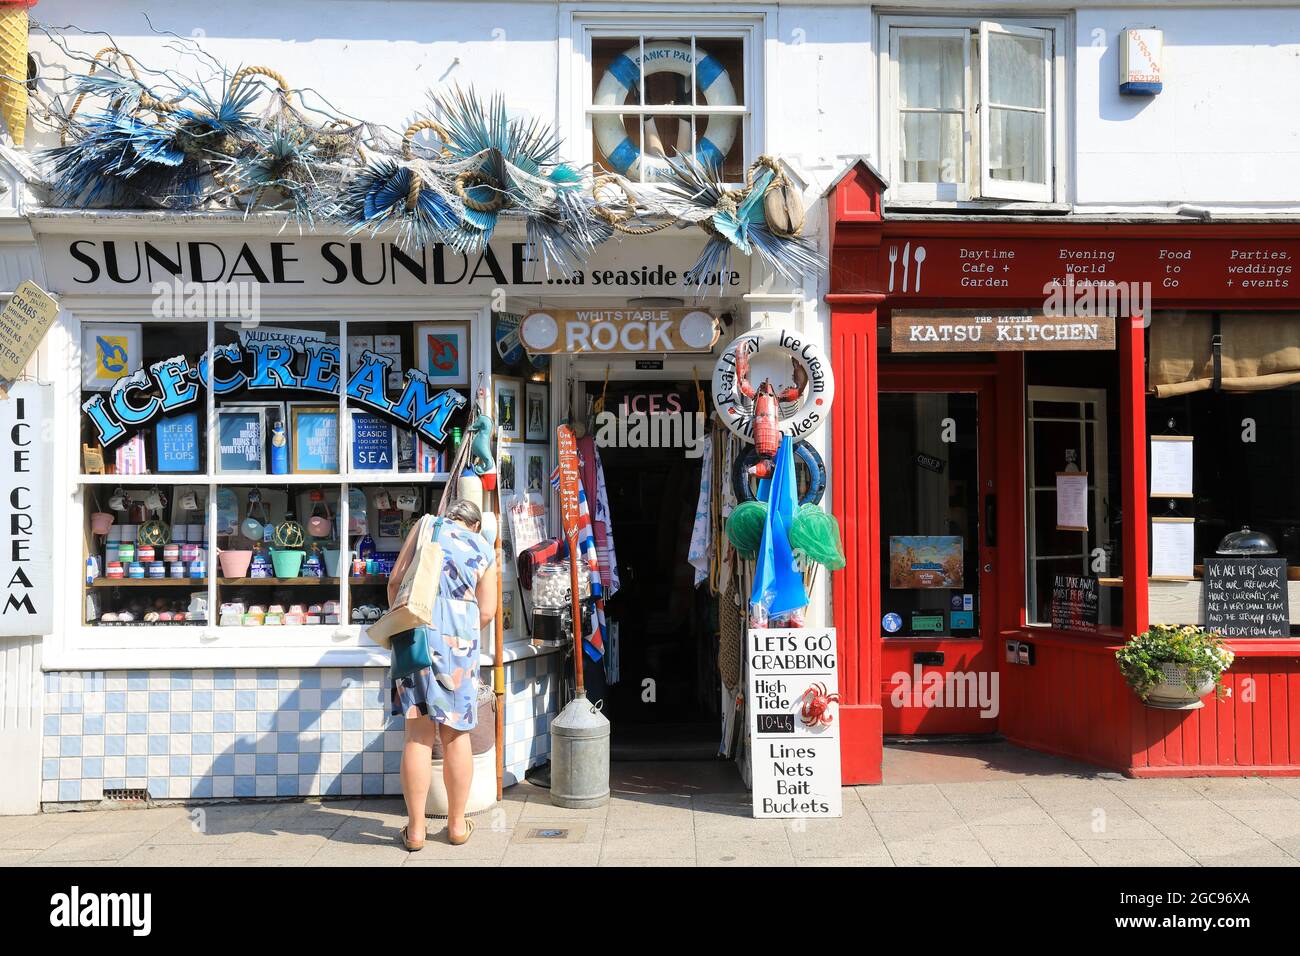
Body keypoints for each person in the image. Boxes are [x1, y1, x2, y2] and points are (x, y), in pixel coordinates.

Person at [390, 499, 497, 849]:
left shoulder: (425, 527)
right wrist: (461, 631)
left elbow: (395, 583)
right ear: (476, 525)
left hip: (416, 637)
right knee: (456, 735)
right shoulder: (483, 547)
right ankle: (455, 826)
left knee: (417, 735)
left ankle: (416, 830)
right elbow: (488, 610)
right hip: (459, 647)